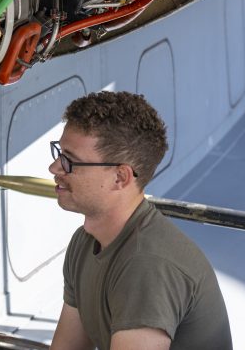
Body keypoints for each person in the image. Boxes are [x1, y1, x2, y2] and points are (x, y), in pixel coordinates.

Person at [47, 91, 231, 350]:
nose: (54, 168)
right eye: (58, 153)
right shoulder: (85, 242)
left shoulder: (147, 264)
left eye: (70, 161)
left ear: (120, 177)